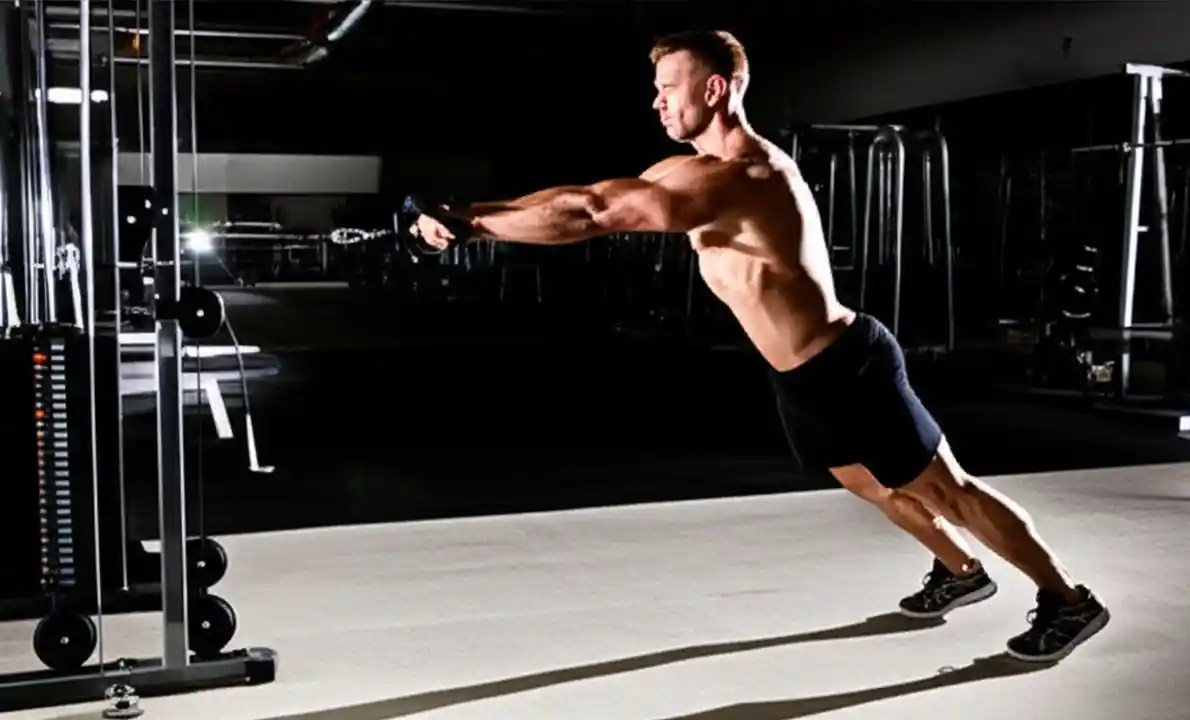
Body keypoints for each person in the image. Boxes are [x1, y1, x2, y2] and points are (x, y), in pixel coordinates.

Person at [411, 29, 1110, 663]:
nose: (656, 103)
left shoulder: (747, 177)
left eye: (668, 88)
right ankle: (962, 572)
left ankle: (1068, 599)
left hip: (849, 364)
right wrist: (469, 214)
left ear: (714, 89)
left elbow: (596, 216)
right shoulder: (685, 168)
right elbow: (586, 191)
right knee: (866, 483)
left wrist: (476, 229)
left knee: (945, 489)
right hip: (800, 377)